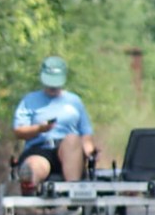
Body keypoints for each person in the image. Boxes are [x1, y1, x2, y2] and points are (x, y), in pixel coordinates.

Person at [13, 54, 95, 189]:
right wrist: (39, 129)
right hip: (39, 148)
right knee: (35, 164)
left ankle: (73, 190)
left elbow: (86, 135)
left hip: (68, 151)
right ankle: (30, 179)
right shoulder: (29, 100)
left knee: (72, 139)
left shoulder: (74, 101)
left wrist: (89, 153)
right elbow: (18, 131)